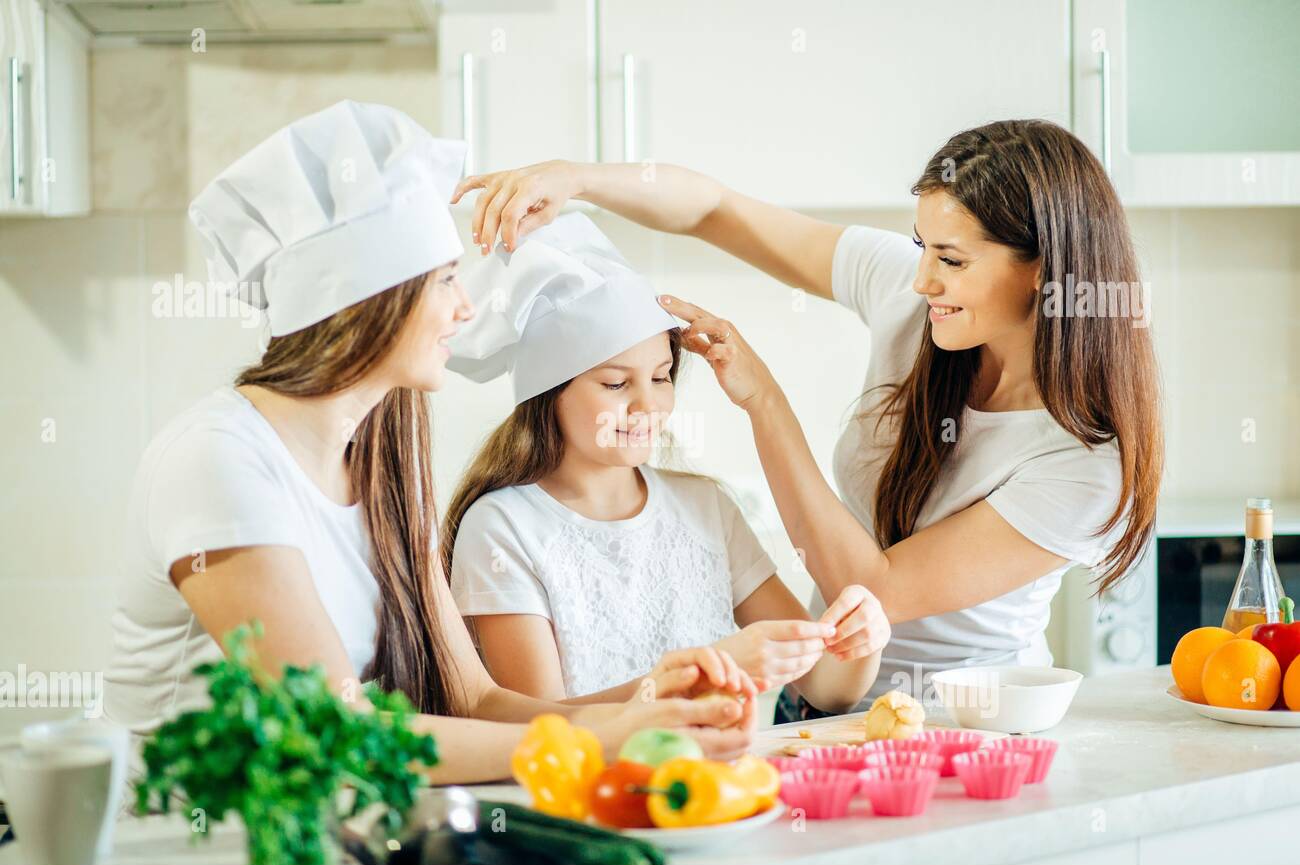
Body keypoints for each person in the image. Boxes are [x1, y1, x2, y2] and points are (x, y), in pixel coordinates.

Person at [105, 100, 793, 786]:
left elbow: (478, 701)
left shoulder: (383, 468)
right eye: (444, 280)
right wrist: (607, 743)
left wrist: (650, 703)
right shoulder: (222, 462)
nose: (466, 308)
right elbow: (335, 734)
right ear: (365, 301)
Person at [454, 119, 1163, 720]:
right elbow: (715, 211)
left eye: (950, 259)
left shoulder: (1084, 461)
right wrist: (579, 179)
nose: (921, 281)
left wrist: (763, 401)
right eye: (921, 248)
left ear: (1046, 268)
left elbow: (876, 589)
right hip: (822, 709)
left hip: (963, 718)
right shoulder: (918, 299)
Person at [441, 213, 886, 712]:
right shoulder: (502, 528)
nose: (648, 406)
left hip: (727, 785)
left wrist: (863, 636)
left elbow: (827, 687)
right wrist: (701, 674)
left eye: (661, 377)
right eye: (616, 384)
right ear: (549, 392)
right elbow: (538, 726)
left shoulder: (706, 507)